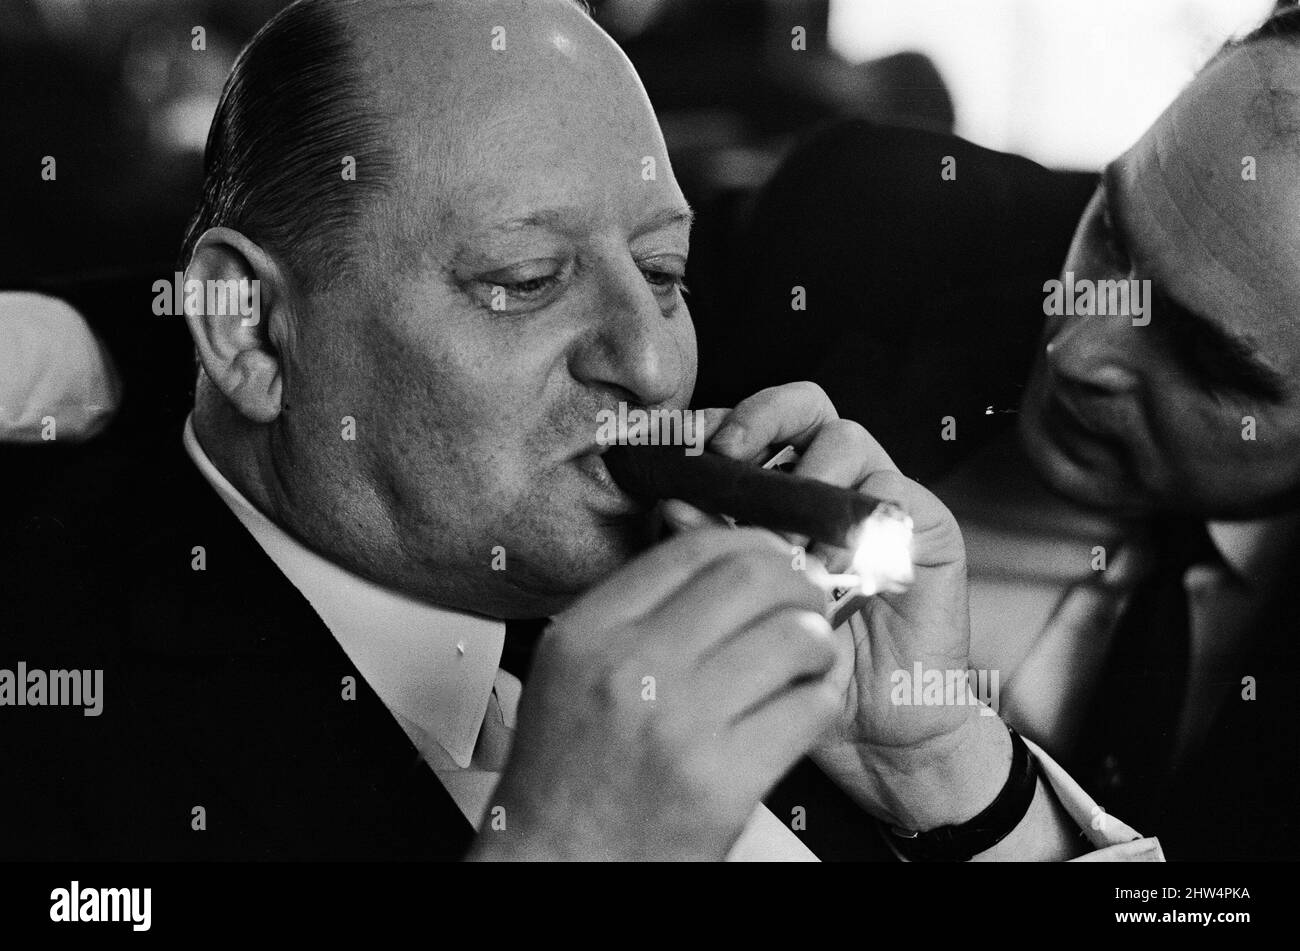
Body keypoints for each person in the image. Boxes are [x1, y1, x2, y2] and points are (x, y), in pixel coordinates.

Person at [0, 0, 1144, 862]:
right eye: (525, 280)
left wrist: (949, 774)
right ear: (247, 326)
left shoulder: (773, 620)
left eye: (662, 271)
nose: (649, 365)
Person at [720, 0, 1300, 861]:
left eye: (1208, 363)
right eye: (1111, 232)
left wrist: (960, 783)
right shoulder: (859, 227)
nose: (1074, 348)